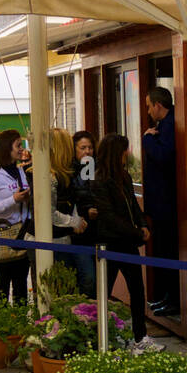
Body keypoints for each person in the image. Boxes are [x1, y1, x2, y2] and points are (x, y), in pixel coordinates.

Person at [93, 133, 155, 348]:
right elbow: (109, 217)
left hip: (128, 242)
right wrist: (136, 232)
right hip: (110, 243)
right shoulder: (100, 180)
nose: (128, 153)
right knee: (103, 291)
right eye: (125, 150)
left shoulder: (125, 177)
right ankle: (99, 337)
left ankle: (140, 336)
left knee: (137, 290)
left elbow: (134, 206)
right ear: (115, 153)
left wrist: (143, 224)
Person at [0, 129, 32, 303]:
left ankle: (20, 325)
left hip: (22, 235)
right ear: (6, 148)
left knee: (21, 285)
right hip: (3, 235)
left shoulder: (21, 171)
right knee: (2, 285)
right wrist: (13, 199)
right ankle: (1, 325)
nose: (21, 149)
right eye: (18, 145)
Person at [141, 87, 178, 316]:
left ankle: (173, 299)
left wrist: (147, 140)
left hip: (168, 204)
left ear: (158, 105)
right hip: (160, 204)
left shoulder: (171, 124)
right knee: (163, 252)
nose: (147, 110)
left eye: (148, 106)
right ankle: (166, 297)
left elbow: (165, 156)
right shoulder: (163, 126)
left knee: (170, 252)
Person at [47, 128, 88, 285]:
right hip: (52, 240)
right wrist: (74, 222)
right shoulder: (50, 177)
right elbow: (48, 213)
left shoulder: (66, 172)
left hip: (64, 238)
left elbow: (74, 200)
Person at [71, 130, 99, 296]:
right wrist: (87, 210)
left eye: (90, 147)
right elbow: (74, 197)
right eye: (83, 148)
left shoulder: (97, 169)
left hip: (97, 232)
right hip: (79, 233)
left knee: (98, 278)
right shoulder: (70, 171)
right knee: (87, 277)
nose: (87, 151)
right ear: (74, 150)